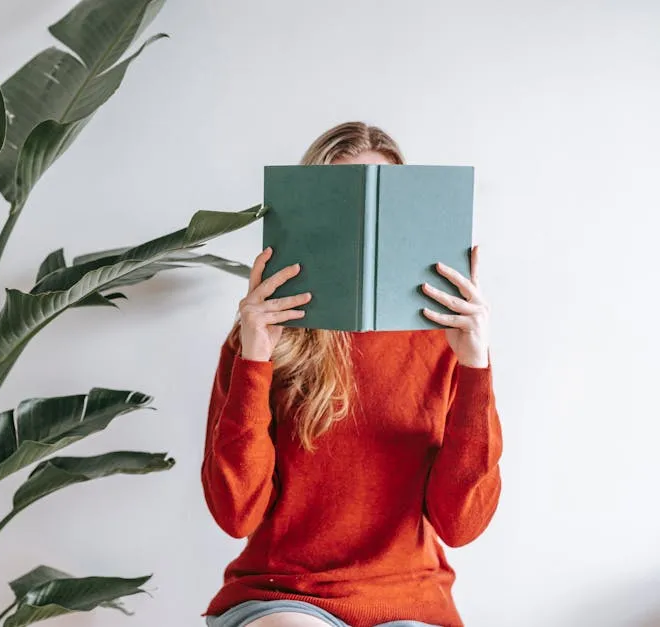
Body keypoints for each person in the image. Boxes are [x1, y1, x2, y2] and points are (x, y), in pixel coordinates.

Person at [201, 121, 502, 627]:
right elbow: (235, 515)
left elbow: (462, 524)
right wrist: (254, 358)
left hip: (409, 597)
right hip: (283, 594)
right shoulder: (261, 339)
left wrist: (475, 365)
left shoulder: (442, 342)